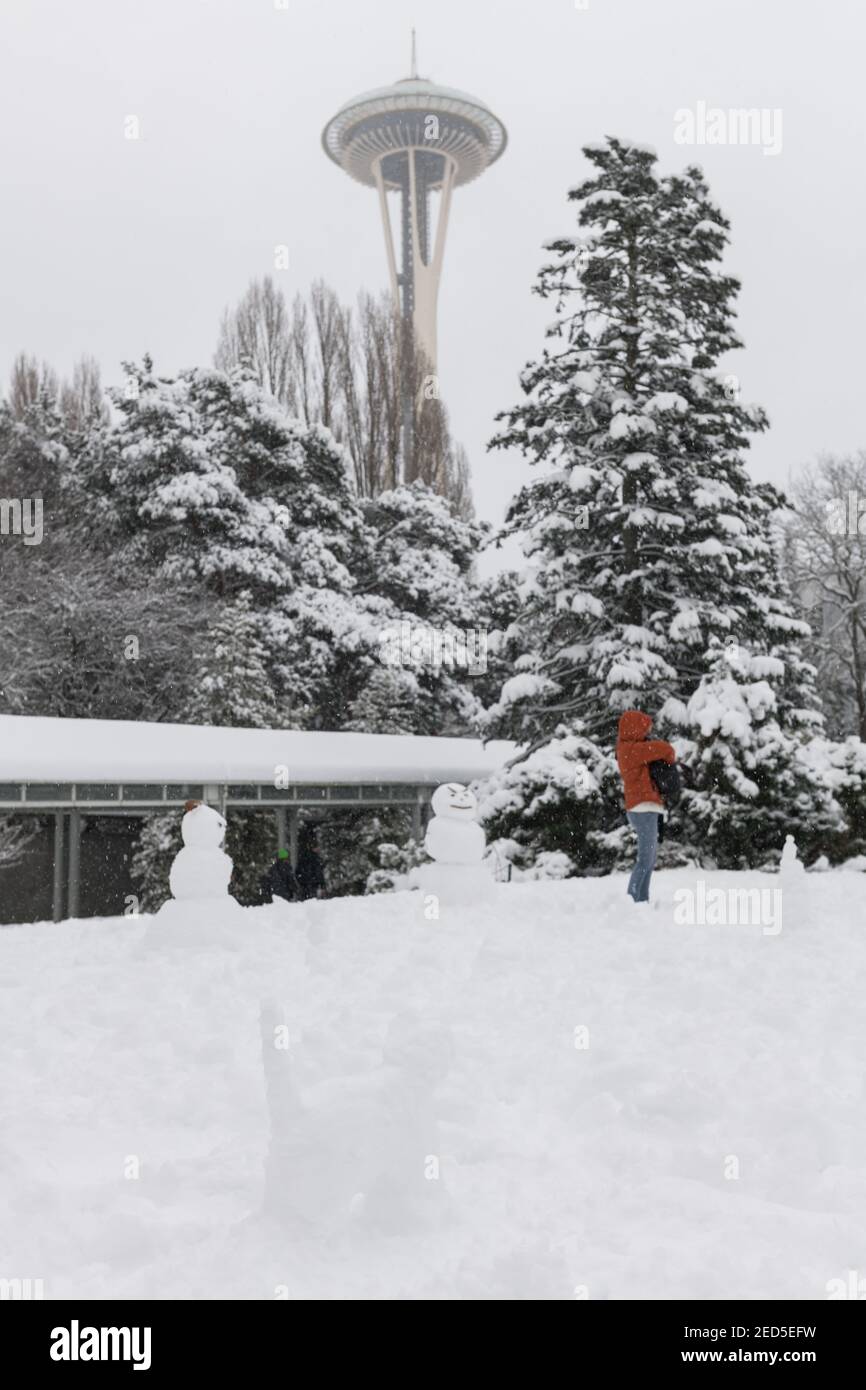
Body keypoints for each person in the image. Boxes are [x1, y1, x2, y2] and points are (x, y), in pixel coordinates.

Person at [615, 709, 677, 906]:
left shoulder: (631, 749)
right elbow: (666, 749)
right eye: (644, 727)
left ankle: (641, 901)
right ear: (634, 728)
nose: (647, 731)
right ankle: (632, 901)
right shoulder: (631, 750)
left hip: (645, 808)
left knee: (648, 861)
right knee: (645, 860)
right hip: (643, 809)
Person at [295, 831, 326, 901]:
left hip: (304, 885)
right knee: (312, 903)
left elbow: (297, 871)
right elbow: (319, 873)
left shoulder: (303, 857)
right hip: (313, 885)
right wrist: (321, 884)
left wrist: (301, 882)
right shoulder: (316, 859)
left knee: (304, 902)